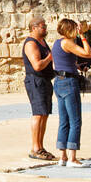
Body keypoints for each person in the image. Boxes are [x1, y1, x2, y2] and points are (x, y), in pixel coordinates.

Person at [51, 19, 91, 166]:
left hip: (59, 81)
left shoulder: (56, 43)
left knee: (64, 120)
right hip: (69, 83)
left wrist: (77, 67)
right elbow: (88, 53)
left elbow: (60, 63)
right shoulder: (68, 42)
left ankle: (63, 157)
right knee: (75, 121)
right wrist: (83, 36)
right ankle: (72, 157)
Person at [22, 18, 55, 160]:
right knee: (38, 113)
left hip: (45, 81)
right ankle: (35, 148)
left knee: (45, 114)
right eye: (43, 26)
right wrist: (50, 57)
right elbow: (37, 65)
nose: (45, 28)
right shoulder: (31, 43)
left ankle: (40, 147)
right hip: (35, 80)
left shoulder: (42, 42)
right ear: (34, 27)